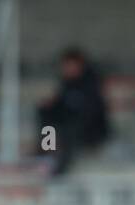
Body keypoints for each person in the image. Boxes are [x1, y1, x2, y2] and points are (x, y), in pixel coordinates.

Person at [36, 47, 110, 176]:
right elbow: (62, 104)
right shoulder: (66, 83)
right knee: (46, 114)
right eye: (65, 66)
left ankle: (60, 167)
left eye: (70, 66)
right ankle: (48, 150)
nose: (67, 69)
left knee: (67, 130)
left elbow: (90, 111)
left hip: (90, 130)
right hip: (70, 124)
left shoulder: (91, 83)